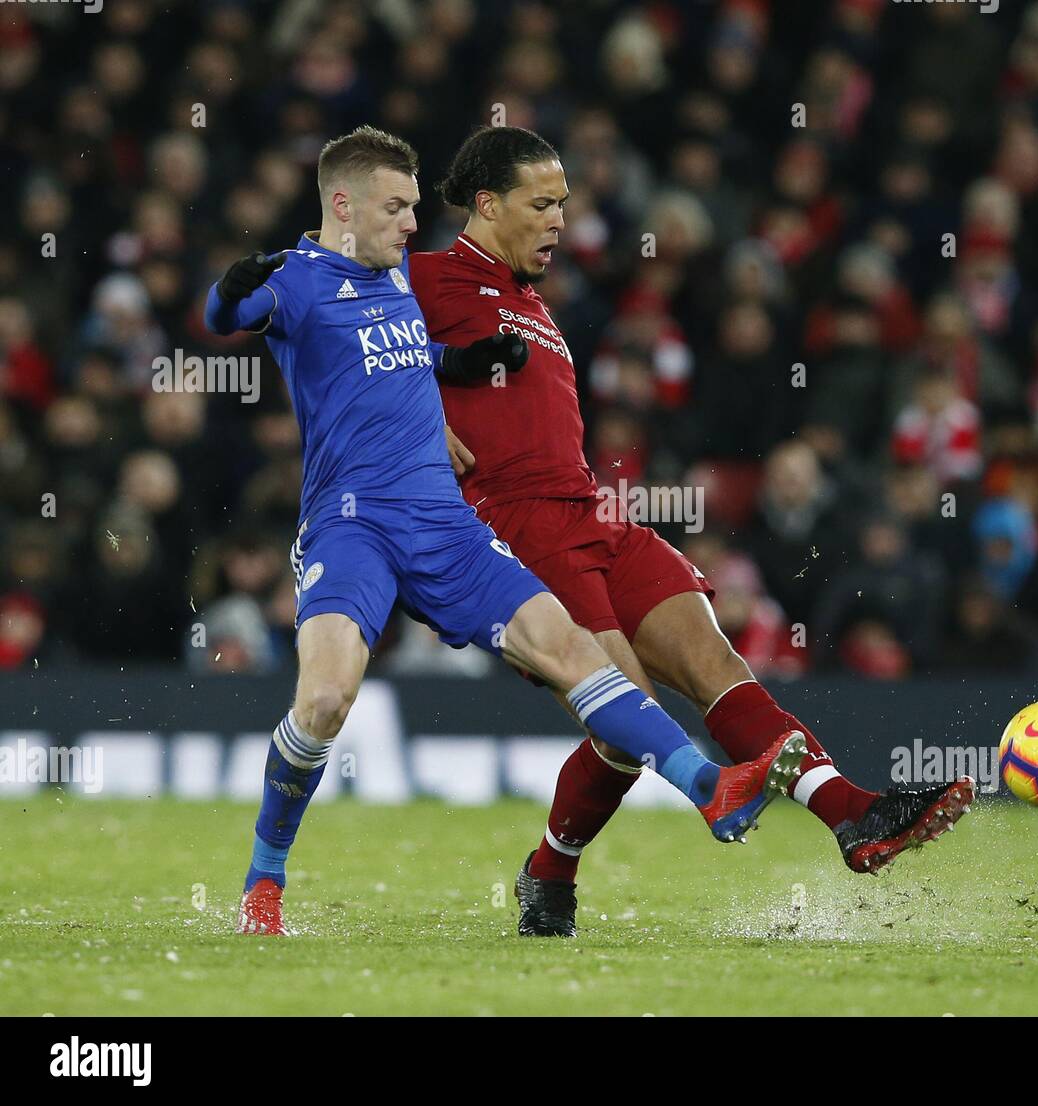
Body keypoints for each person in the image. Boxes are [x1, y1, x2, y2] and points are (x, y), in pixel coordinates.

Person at [204, 125, 810, 935]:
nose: (413, 224)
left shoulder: (398, 283)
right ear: (341, 205)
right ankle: (264, 881)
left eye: (416, 207)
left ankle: (710, 786)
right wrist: (228, 288)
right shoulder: (301, 281)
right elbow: (229, 313)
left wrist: (468, 363)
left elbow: (411, 361)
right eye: (396, 208)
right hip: (354, 527)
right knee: (323, 701)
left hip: (446, 526)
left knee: (573, 652)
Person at [410, 126, 974, 937]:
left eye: (565, 205)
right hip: (514, 522)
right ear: (488, 204)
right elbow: (322, 325)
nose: (561, 220)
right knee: (625, 709)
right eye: (543, 204)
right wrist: (421, 411)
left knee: (714, 664)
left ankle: (855, 816)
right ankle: (549, 872)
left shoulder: (532, 302)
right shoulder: (421, 277)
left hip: (592, 510)